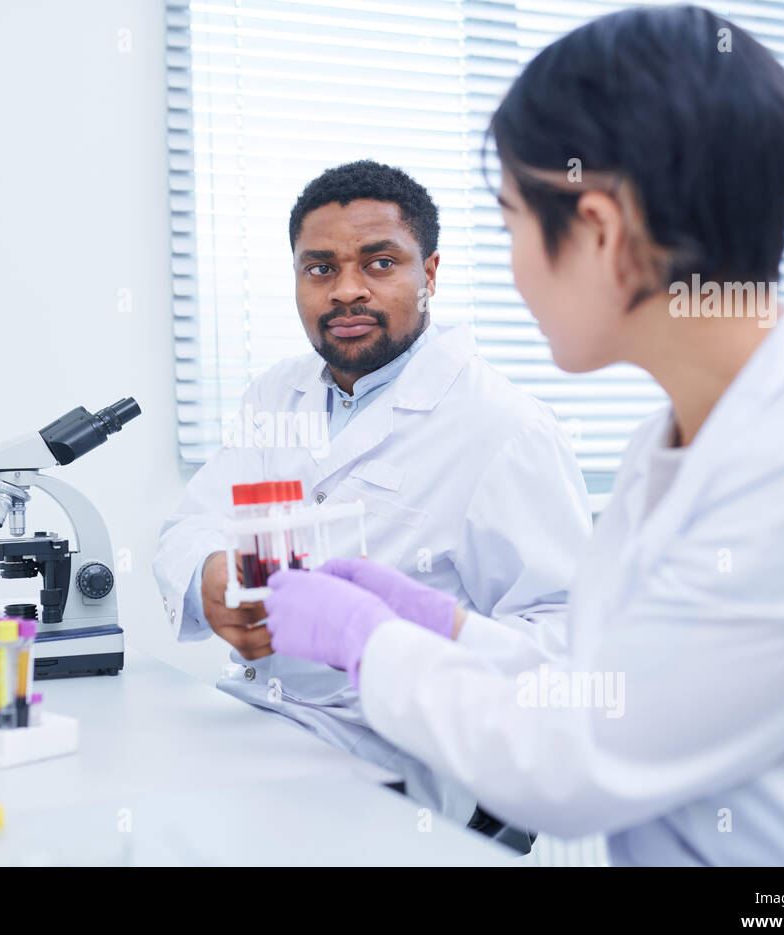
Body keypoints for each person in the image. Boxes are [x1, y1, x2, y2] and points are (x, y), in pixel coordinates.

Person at [263, 5, 784, 865]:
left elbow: (571, 762)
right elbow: (612, 689)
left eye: (511, 226)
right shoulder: (683, 437)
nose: (512, 267)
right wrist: (445, 628)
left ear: (601, 232)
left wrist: (367, 641)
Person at [153, 160, 591, 842]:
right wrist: (209, 573)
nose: (346, 290)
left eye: (380, 263)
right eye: (320, 268)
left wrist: (397, 637)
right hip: (255, 722)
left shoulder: (506, 428)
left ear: (430, 275)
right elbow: (192, 523)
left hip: (390, 758)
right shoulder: (277, 394)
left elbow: (563, 644)